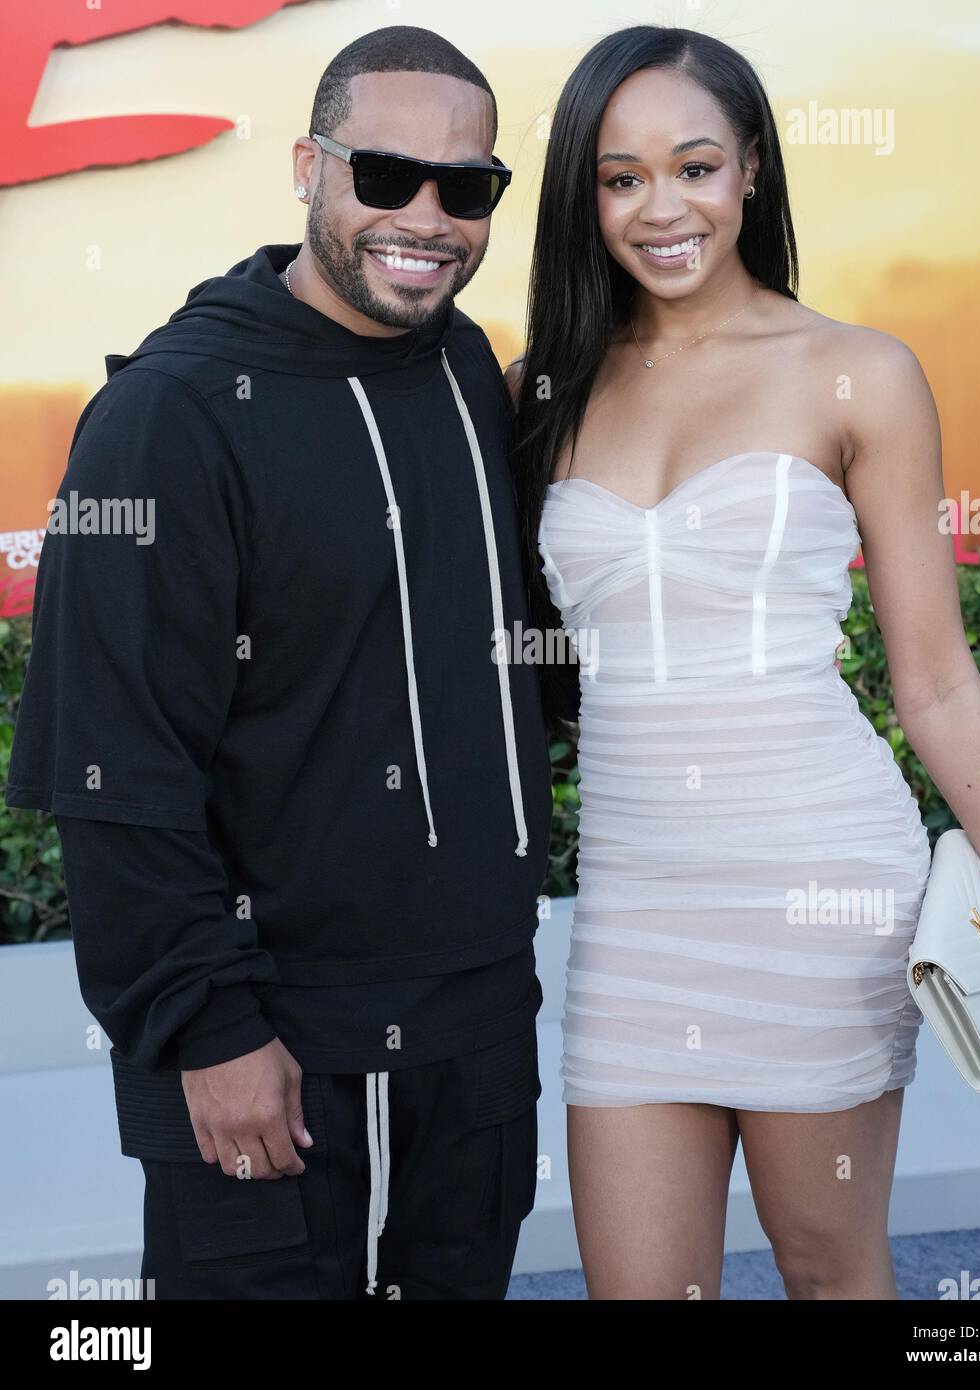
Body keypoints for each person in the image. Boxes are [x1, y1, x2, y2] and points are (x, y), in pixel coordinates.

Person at [507, 25, 980, 1301]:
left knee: (830, 1274)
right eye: (620, 177)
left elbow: (930, 678)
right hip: (635, 917)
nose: (662, 208)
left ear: (750, 170)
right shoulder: (543, 387)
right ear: (583, 195)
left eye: (694, 165)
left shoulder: (858, 375)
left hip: (819, 899)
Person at [6, 25, 553, 1301]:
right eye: (384, 175)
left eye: (464, 188)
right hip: (276, 1035)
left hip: (476, 1023)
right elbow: (113, 759)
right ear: (309, 165)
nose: (426, 217)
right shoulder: (169, 416)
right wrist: (207, 1028)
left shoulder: (465, 366)